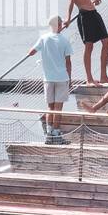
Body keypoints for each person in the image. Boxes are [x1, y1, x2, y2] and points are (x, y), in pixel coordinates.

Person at [27, 15, 74, 144]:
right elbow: (68, 62)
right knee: (58, 108)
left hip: (48, 78)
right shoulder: (64, 40)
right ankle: (56, 134)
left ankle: (49, 134)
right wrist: (69, 79)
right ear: (59, 25)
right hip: (62, 78)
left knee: (50, 107)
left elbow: (31, 52)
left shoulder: (43, 38)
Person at [66, 0, 108, 84]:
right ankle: (89, 78)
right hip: (84, 16)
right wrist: (68, 17)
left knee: (107, 43)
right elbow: (71, 0)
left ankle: (103, 76)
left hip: (94, 13)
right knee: (89, 46)